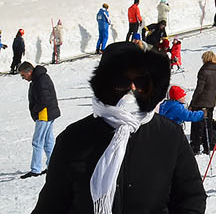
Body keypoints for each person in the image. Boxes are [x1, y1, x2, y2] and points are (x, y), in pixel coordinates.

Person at [27, 41, 206, 214]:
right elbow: (51, 205)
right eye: (122, 81)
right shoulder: (73, 139)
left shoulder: (169, 135)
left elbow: (191, 197)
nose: (132, 89)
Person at [19, 61, 60, 178]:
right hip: (48, 113)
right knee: (48, 141)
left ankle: (35, 169)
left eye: (23, 75)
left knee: (37, 142)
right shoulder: (39, 78)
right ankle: (53, 165)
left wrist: (35, 111)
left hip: (44, 114)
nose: (23, 78)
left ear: (29, 72)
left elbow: (44, 100)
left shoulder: (40, 80)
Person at [187, 50, 216, 153]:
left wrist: (192, 102)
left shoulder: (203, 71)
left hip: (200, 102)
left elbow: (199, 89)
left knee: (197, 125)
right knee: (207, 125)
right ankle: (208, 146)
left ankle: (195, 146)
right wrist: (212, 95)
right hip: (211, 103)